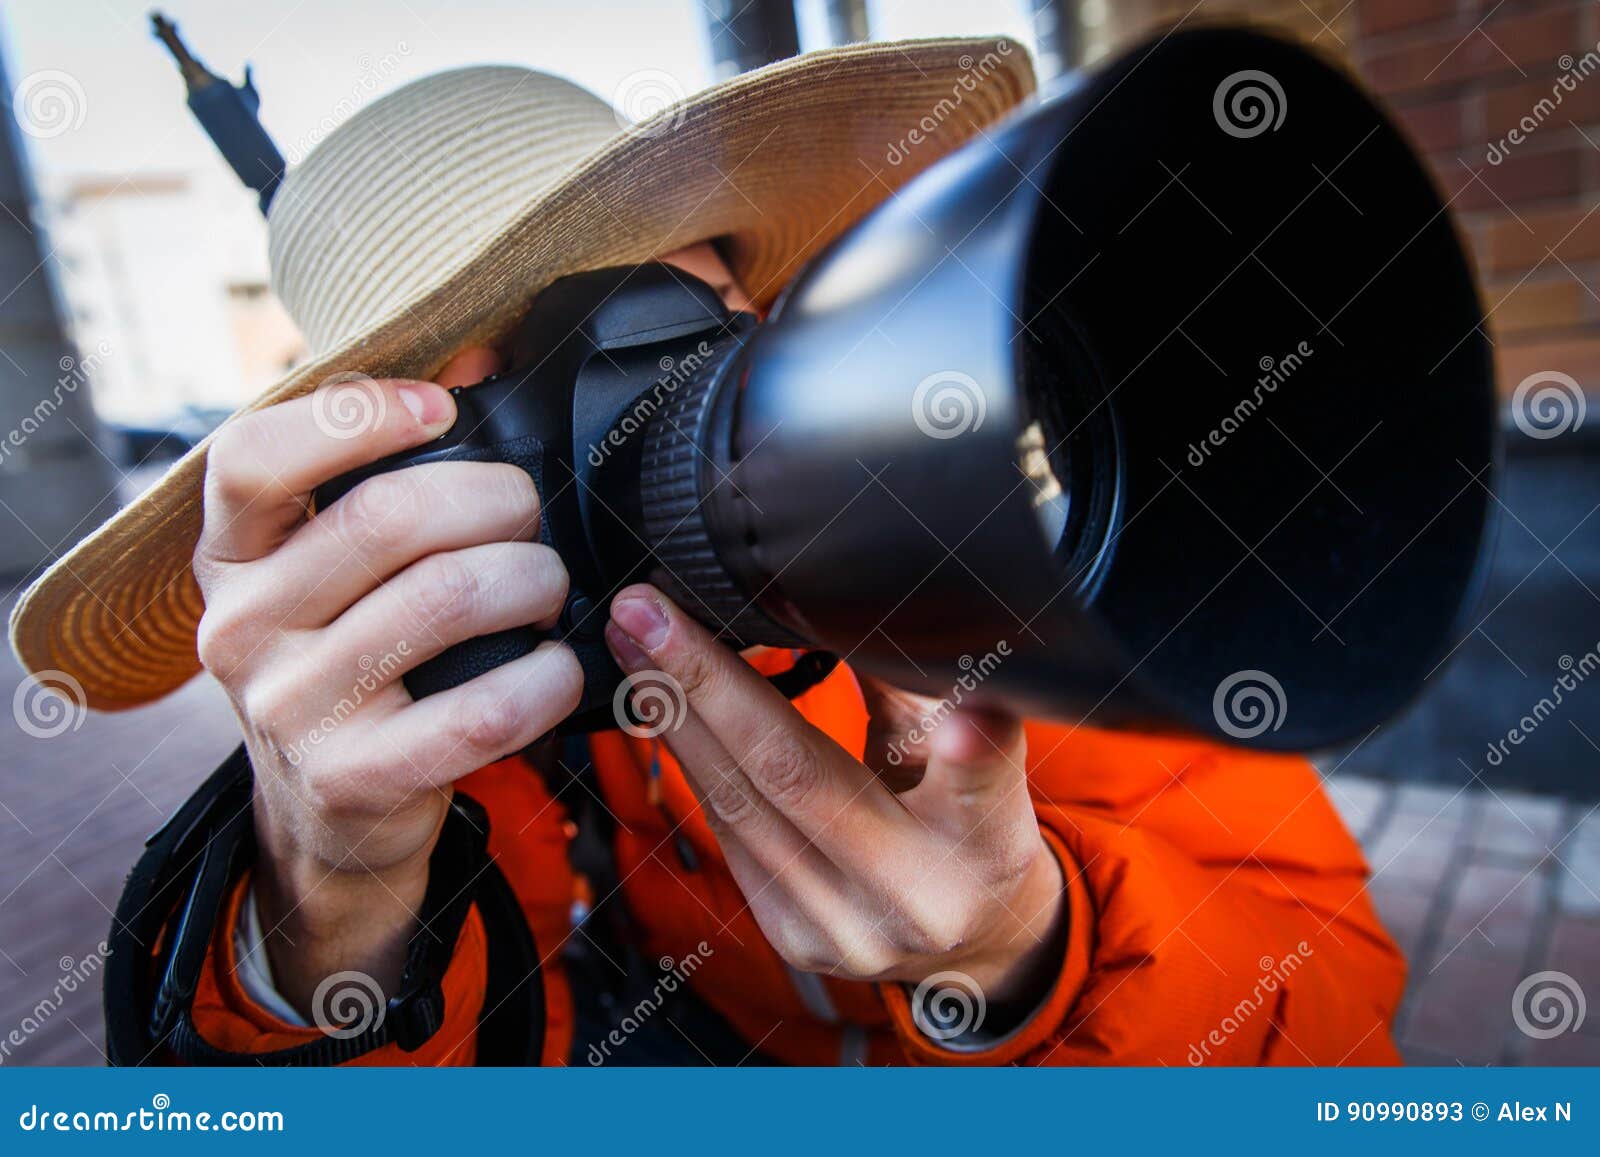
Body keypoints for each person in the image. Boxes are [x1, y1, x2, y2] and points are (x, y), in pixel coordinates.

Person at [12, 44, 1405, 1066]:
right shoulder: (463, 695)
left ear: (762, 307)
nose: (628, 425)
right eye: (517, 408)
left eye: (669, 326)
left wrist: (1025, 958)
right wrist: (339, 904)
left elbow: (1338, 1014)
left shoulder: (999, 568)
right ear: (382, 493)